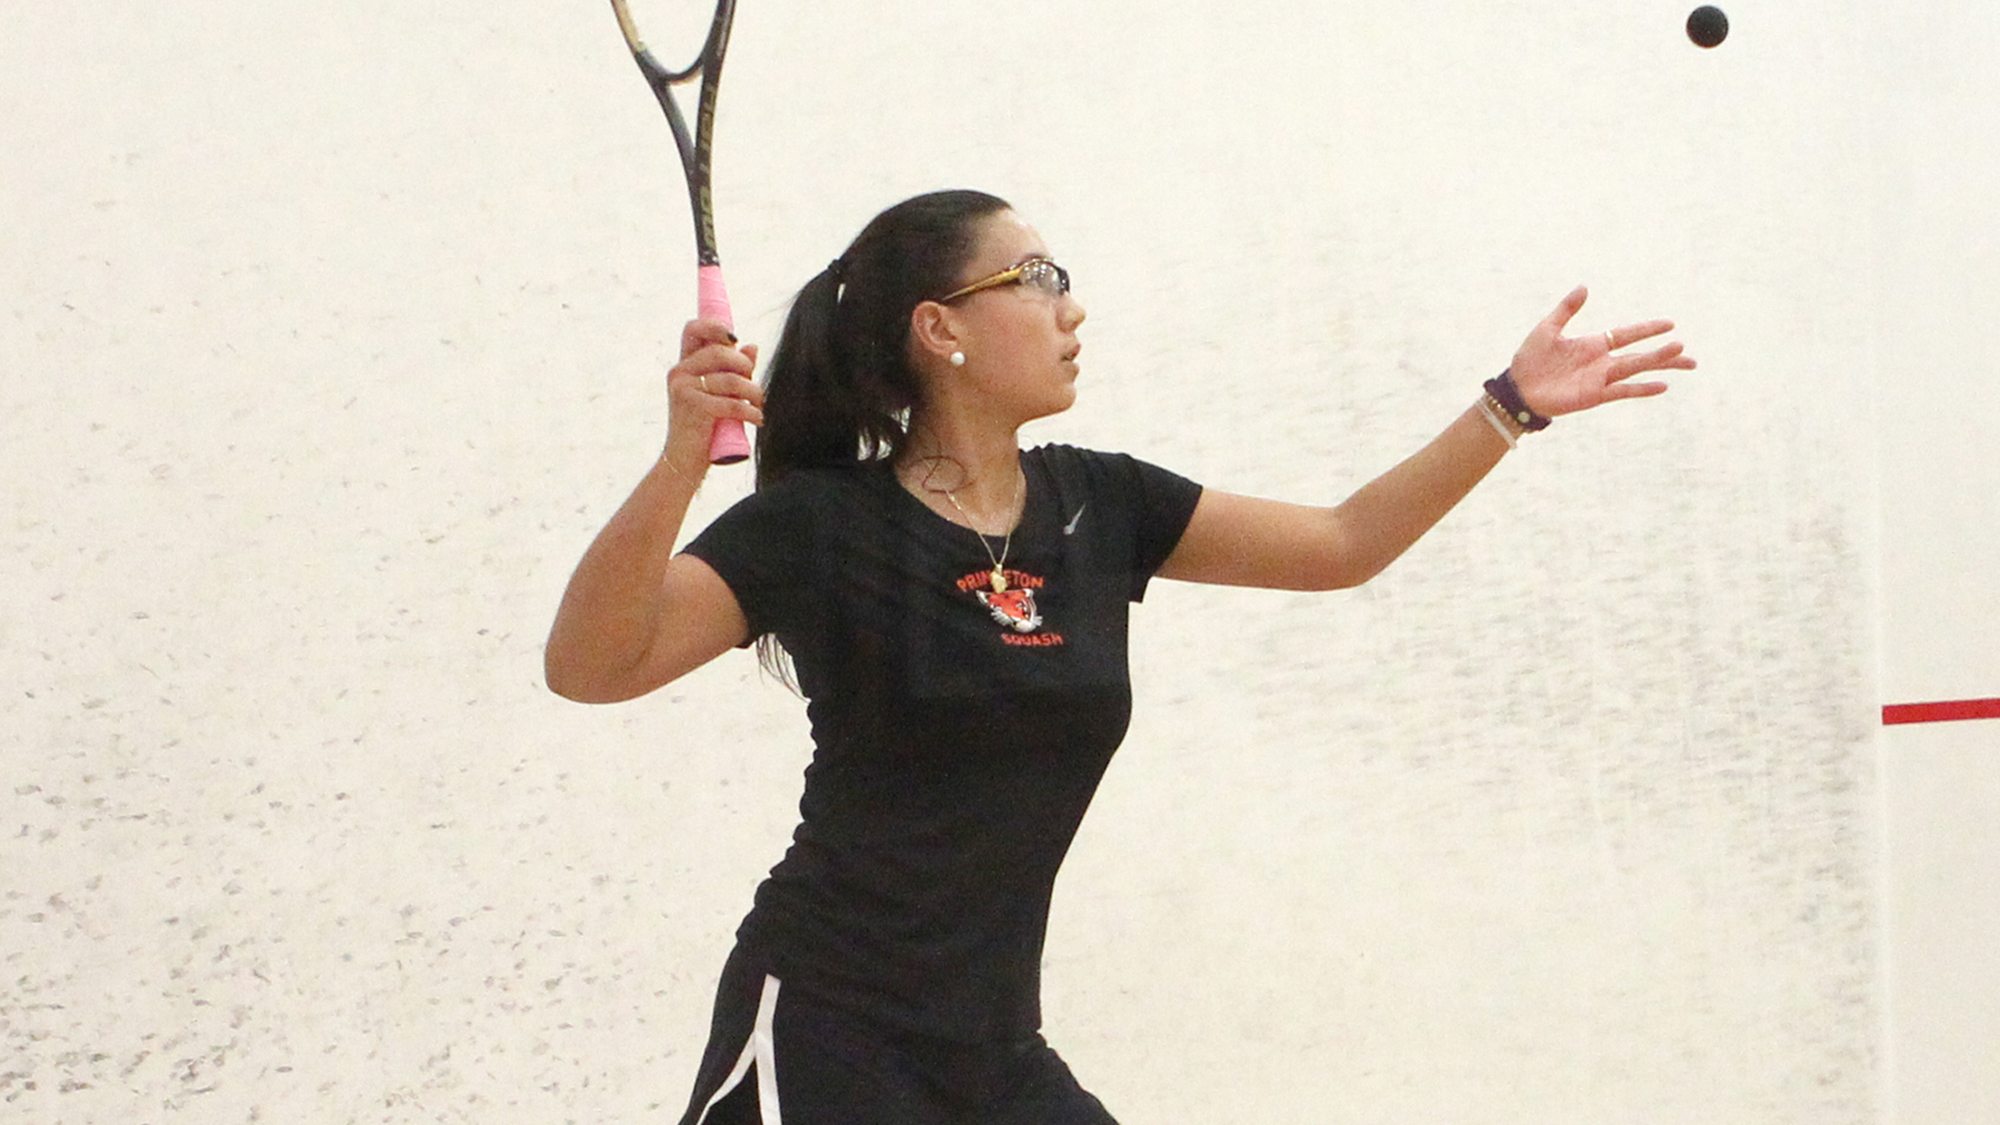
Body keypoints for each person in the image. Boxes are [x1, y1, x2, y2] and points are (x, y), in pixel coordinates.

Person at [543, 189, 1694, 1125]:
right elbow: (594, 665)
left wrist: (1507, 407)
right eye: (1035, 281)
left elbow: (1344, 544)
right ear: (938, 329)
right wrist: (680, 463)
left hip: (991, 1051)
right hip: (831, 1030)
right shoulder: (820, 528)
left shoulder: (1102, 505)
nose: (1071, 309)